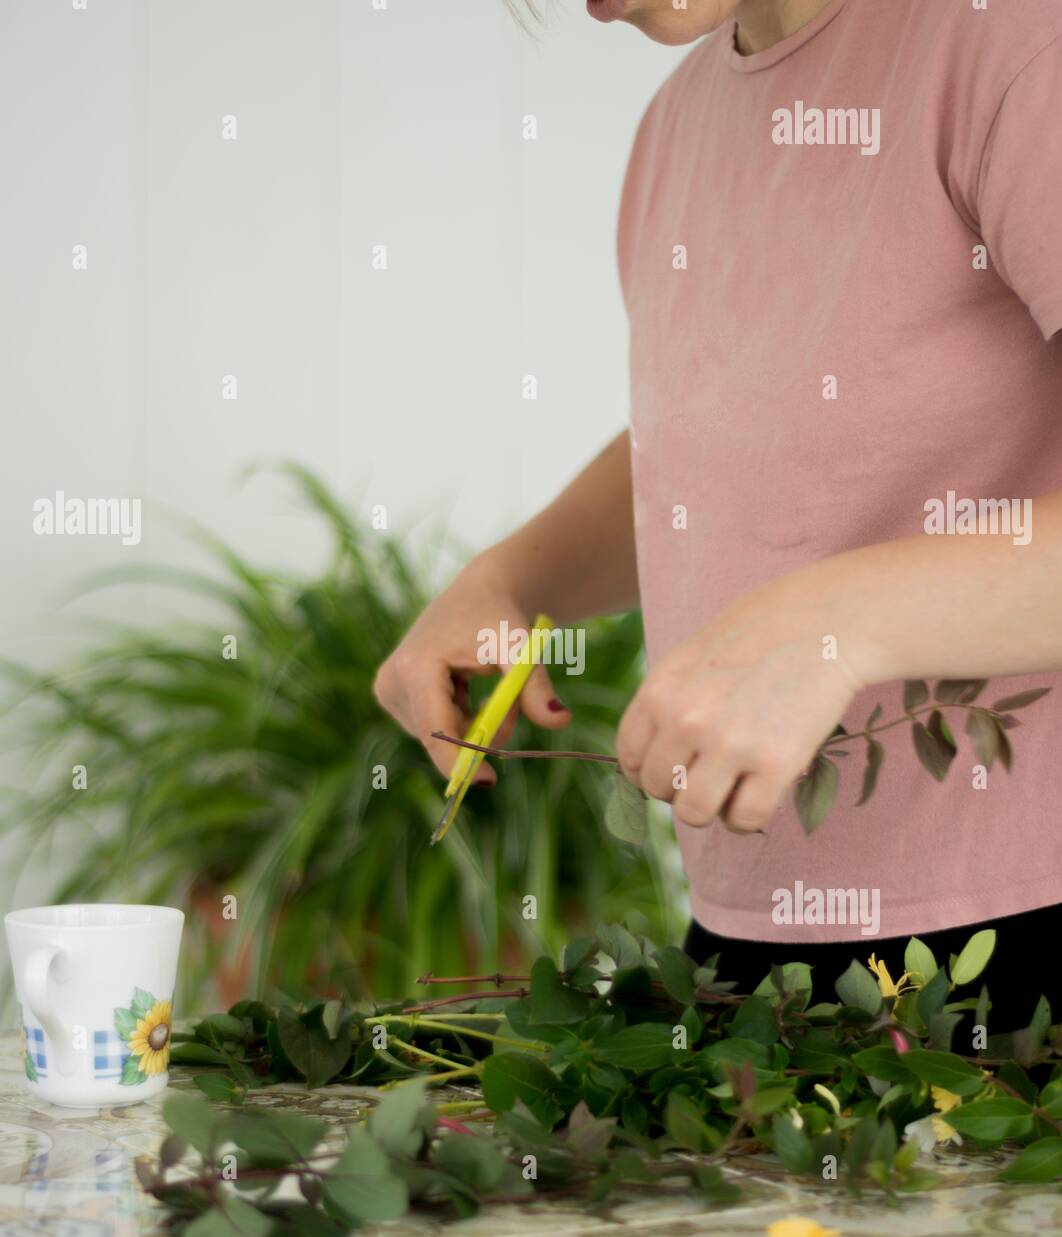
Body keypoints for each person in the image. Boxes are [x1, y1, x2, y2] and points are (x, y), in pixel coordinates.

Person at [374, 0, 1062, 1035]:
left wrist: (831, 625)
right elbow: (712, 443)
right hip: (753, 952)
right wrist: (511, 583)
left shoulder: (1013, 44)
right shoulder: (674, 130)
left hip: (1024, 943)